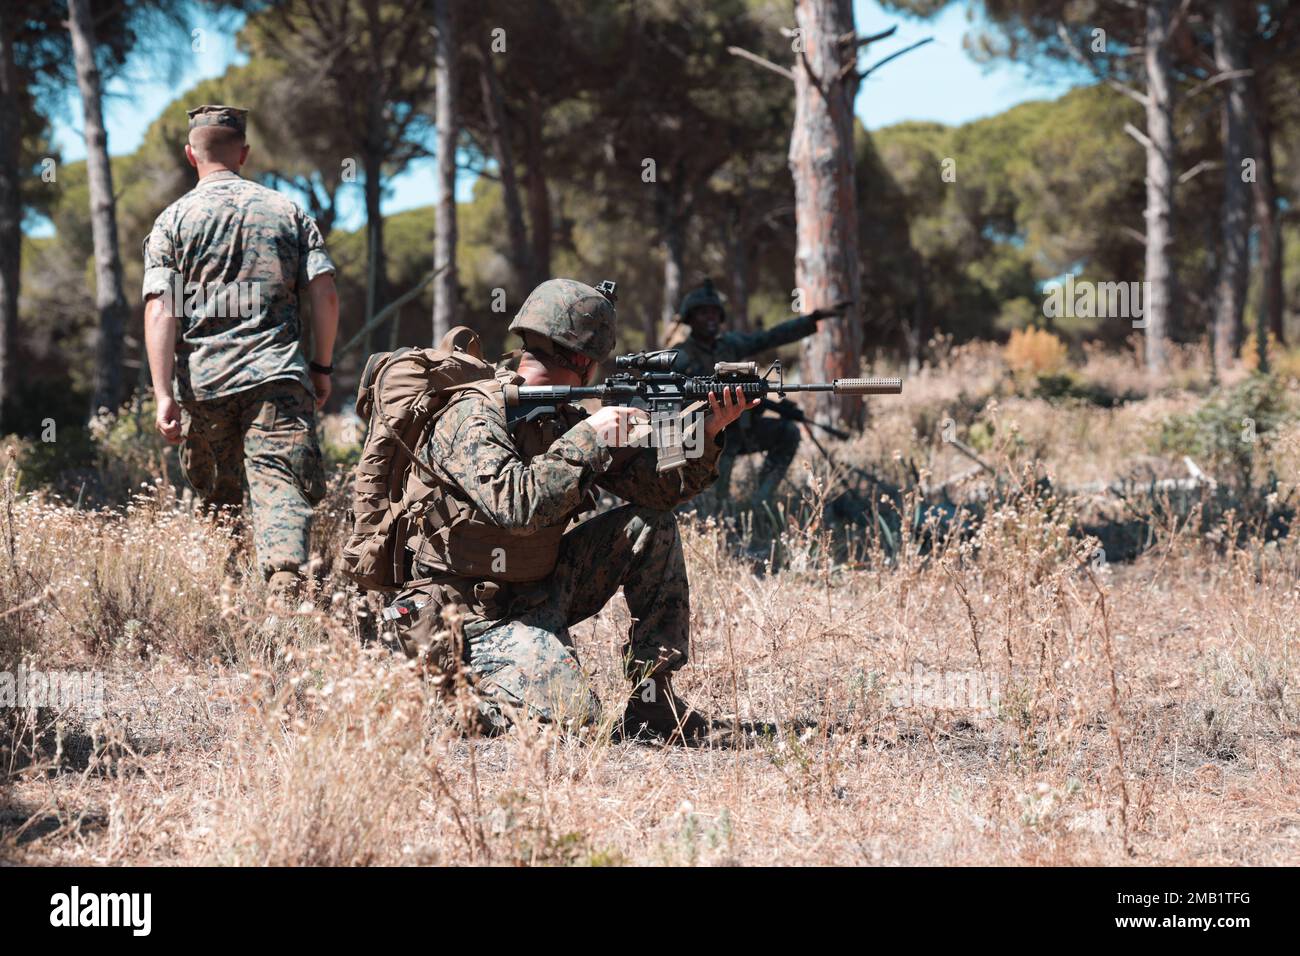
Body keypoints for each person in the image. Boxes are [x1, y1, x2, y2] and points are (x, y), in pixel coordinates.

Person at [390, 278, 755, 743]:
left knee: (651, 526)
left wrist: (709, 429)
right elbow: (516, 505)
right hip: (469, 611)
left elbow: (656, 495)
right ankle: (458, 695)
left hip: (539, 591)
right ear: (584, 360)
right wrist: (592, 437)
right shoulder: (473, 415)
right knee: (574, 720)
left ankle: (654, 701)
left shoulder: (561, 416)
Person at [142, 104, 339, 596]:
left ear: (191, 154)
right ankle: (285, 582)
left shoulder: (172, 221)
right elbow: (326, 294)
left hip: (205, 384)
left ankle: (228, 593)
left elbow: (160, 310)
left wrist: (163, 393)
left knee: (217, 494)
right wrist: (321, 366)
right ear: (244, 153)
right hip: (277, 377)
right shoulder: (289, 212)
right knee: (281, 485)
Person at [670, 278, 845, 502]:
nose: (710, 318)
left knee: (787, 432)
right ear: (690, 319)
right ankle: (718, 512)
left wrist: (812, 320)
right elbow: (673, 406)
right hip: (706, 436)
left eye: (714, 312)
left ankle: (761, 499)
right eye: (703, 313)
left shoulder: (730, 344)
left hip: (740, 429)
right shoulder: (679, 356)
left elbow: (769, 337)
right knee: (715, 500)